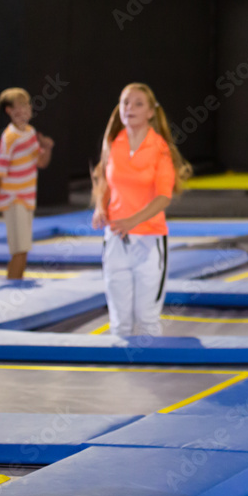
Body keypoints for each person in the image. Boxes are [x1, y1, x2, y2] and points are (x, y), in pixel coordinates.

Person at [91, 83, 192, 336]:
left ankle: (151, 361)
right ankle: (118, 360)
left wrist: (132, 220)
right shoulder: (114, 143)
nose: (130, 108)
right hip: (116, 239)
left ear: (150, 112)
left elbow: (163, 197)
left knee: (147, 318)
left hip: (149, 241)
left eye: (138, 103)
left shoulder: (160, 148)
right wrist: (100, 208)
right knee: (119, 321)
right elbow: (104, 180)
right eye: (125, 102)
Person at [0, 88, 54, 279]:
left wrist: (47, 148)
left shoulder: (30, 133)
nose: (25, 110)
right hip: (14, 199)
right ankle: (13, 284)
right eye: (19, 107)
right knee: (20, 249)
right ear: (9, 111)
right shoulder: (10, 137)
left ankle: (14, 281)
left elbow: (40, 162)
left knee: (22, 250)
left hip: (27, 198)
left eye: (26, 105)